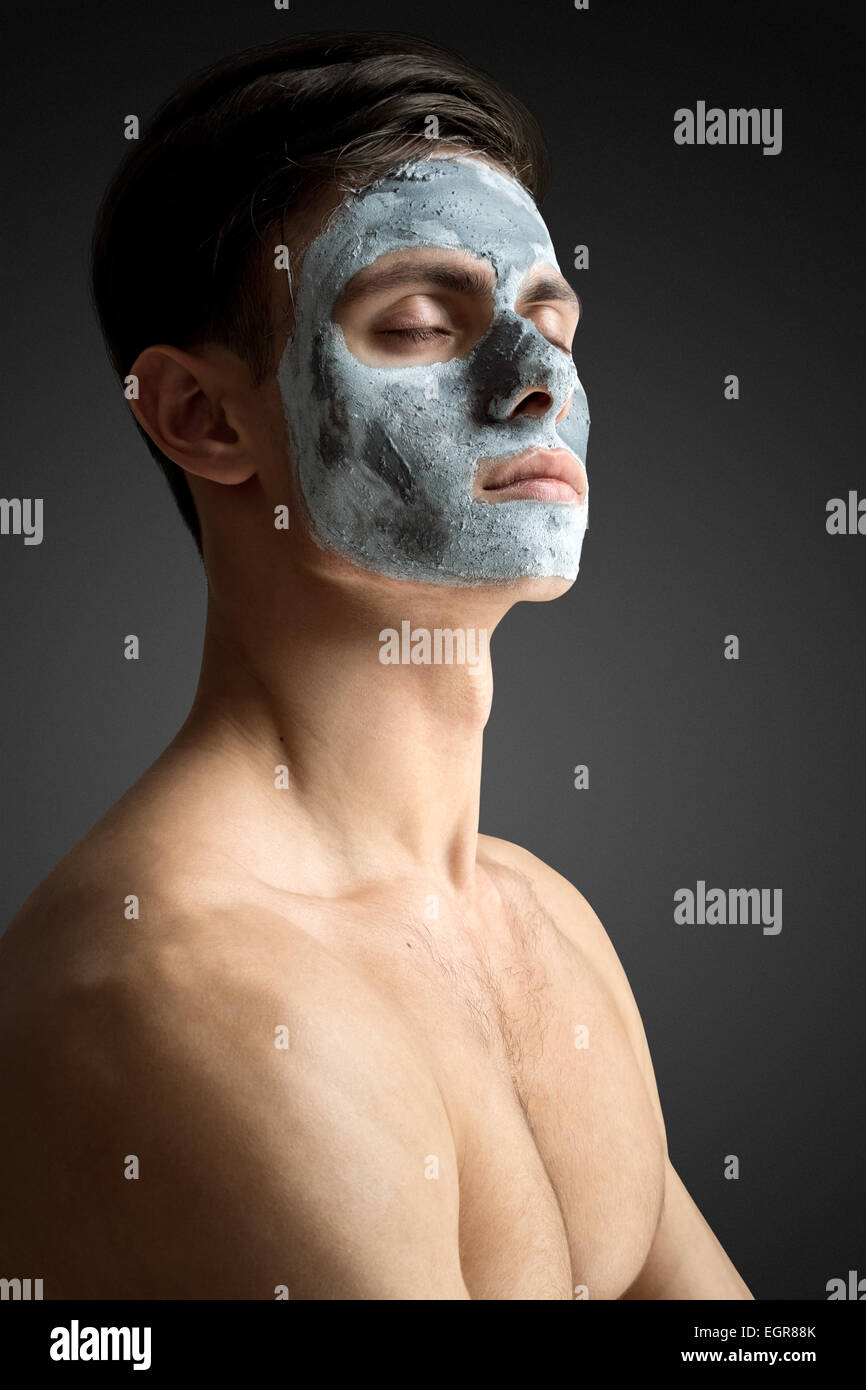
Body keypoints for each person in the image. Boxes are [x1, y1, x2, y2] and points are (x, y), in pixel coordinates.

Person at [0, 31, 753, 1300]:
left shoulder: (539, 918)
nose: (537, 384)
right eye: (416, 322)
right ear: (205, 417)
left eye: (548, 319)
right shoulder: (180, 998)